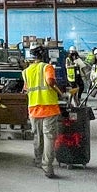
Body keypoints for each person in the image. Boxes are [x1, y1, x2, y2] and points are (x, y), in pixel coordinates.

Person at [24, 46, 62, 180]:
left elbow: (26, 89)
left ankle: (38, 160)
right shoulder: (47, 67)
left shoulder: (26, 71)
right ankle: (48, 167)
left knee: (38, 136)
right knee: (49, 137)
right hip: (49, 108)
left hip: (33, 108)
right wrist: (60, 91)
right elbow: (50, 81)